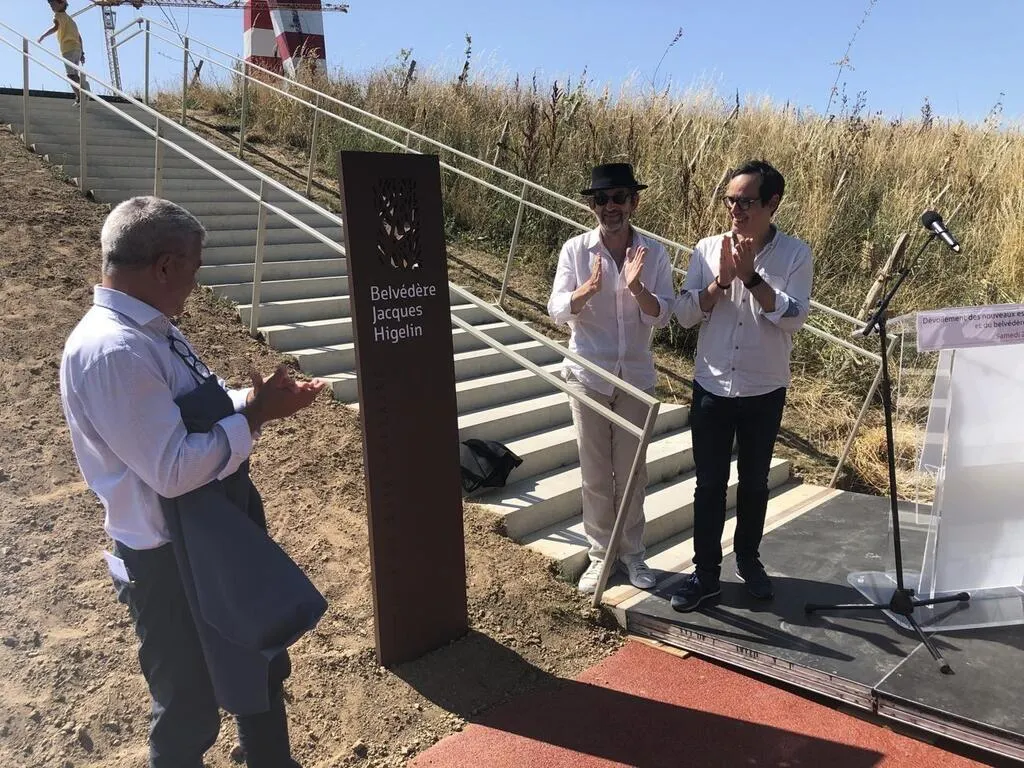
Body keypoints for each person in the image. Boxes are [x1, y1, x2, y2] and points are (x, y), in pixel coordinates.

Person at [59, 196, 327, 768]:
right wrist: (255, 418)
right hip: (167, 559)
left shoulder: (151, 330)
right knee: (187, 705)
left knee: (257, 658)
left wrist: (252, 398)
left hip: (210, 533)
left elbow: (194, 404)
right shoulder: (113, 351)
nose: (194, 284)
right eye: (193, 269)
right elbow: (174, 470)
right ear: (164, 266)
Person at [671, 160, 813, 612]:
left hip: (763, 388)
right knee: (709, 485)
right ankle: (705, 574)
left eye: (746, 201)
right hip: (712, 385)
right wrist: (721, 281)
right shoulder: (707, 248)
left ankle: (749, 561)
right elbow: (685, 314)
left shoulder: (796, 254)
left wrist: (751, 278)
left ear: (772, 203)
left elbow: (794, 318)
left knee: (754, 483)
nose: (735, 209)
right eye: (730, 200)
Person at [548, 163, 676, 595]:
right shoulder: (576, 249)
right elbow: (556, 308)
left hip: (635, 377)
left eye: (619, 197)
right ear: (592, 206)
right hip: (588, 373)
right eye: (601, 199)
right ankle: (601, 555)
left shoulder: (654, 253)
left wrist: (637, 287)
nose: (610, 206)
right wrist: (585, 290)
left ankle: (633, 553)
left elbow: (663, 315)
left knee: (633, 473)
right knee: (596, 473)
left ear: (634, 202)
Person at [38, 0, 90, 104]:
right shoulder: (71, 20)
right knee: (74, 74)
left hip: (67, 49)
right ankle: (80, 94)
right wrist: (82, 53)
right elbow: (79, 37)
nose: (52, 7)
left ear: (61, 4)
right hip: (77, 49)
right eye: (50, 5)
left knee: (70, 75)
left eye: (53, 4)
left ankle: (81, 93)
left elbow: (55, 28)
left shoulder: (58, 16)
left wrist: (43, 36)